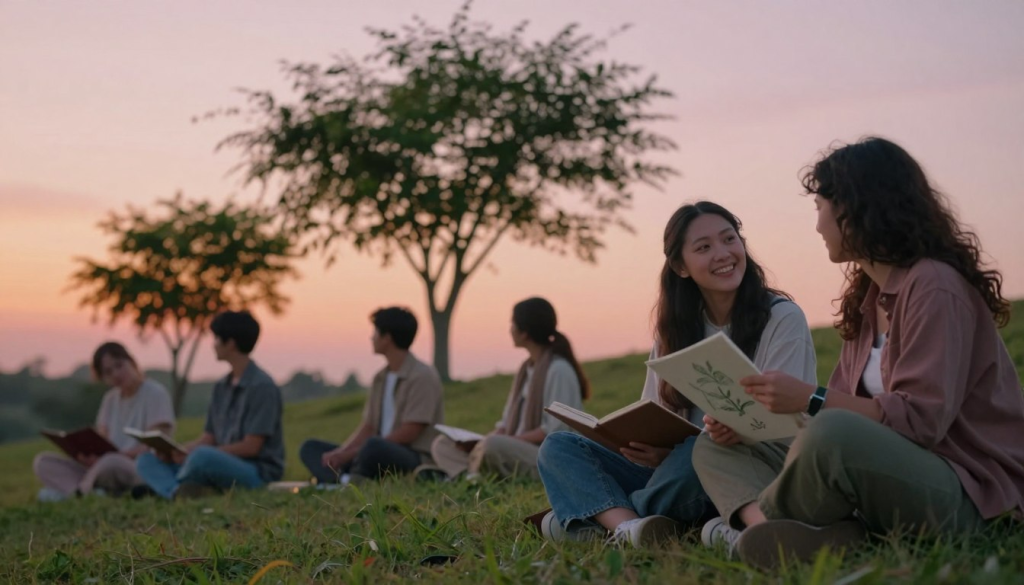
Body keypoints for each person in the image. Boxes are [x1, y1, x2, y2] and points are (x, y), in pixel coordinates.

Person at [694, 137, 1024, 569]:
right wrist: (753, 425)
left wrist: (809, 398)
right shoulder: (869, 300)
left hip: (968, 494)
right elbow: (845, 413)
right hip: (886, 481)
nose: (816, 226)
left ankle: (755, 532)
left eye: (819, 208)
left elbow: (919, 422)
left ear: (853, 208)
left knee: (833, 434)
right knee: (716, 448)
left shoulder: (934, 286)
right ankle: (793, 533)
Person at [536, 201, 818, 547]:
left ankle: (602, 520)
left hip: (740, 463)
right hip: (667, 471)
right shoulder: (675, 330)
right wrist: (644, 447)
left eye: (730, 239)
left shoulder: (782, 318)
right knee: (558, 446)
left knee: (700, 449)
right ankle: (631, 527)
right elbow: (653, 414)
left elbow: (781, 418)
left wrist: (687, 450)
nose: (723, 253)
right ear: (680, 266)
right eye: (704, 247)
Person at [429, 297, 589, 480]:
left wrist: (505, 442)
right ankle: (472, 473)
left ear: (525, 332)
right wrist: (477, 443)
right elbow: (505, 425)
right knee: (443, 444)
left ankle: (466, 473)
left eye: (512, 324)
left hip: (547, 456)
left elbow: (555, 431)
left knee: (493, 445)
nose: (510, 329)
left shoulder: (559, 370)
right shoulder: (525, 370)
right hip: (511, 446)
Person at [135, 310, 284, 499]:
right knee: (146, 459)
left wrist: (198, 454)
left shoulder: (262, 387)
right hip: (215, 459)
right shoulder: (221, 387)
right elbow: (209, 437)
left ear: (230, 343)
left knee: (203, 457)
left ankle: (169, 488)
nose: (213, 345)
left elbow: (251, 447)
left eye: (216, 339)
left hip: (255, 471)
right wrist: (180, 451)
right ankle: (176, 490)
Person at [299, 307, 444, 483]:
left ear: (387, 338)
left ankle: (347, 479)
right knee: (310, 448)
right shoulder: (380, 378)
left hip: (410, 455)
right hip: (371, 450)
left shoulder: (422, 376)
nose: (371, 337)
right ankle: (347, 478)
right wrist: (341, 453)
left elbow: (410, 432)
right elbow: (369, 426)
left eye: (375, 332)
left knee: (374, 446)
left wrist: (352, 454)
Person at [33, 342, 175, 500]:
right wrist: (88, 456)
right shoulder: (110, 400)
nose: (116, 374)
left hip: (136, 467)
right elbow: (102, 439)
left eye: (119, 366)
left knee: (111, 462)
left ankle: (77, 493)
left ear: (131, 362)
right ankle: (91, 491)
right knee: (43, 463)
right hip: (101, 467)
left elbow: (154, 446)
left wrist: (120, 455)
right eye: (108, 372)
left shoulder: (155, 393)